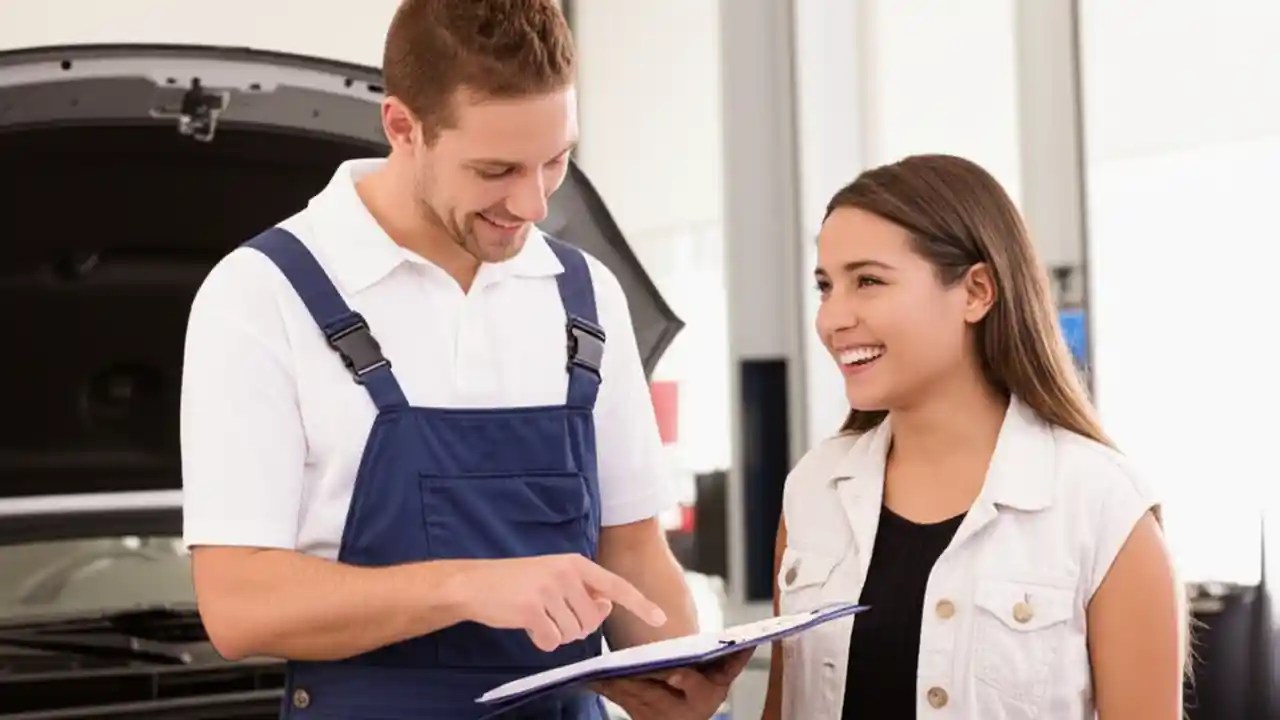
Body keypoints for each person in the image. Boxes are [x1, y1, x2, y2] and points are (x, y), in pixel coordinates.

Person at [178, 2, 748, 718]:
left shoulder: (585, 296)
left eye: (555, 160)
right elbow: (239, 606)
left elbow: (630, 552)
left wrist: (684, 686)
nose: (534, 203)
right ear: (402, 127)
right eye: (496, 169)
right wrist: (470, 587)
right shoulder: (262, 295)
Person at [761, 155, 1186, 719]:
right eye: (825, 286)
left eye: (867, 281)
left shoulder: (1102, 508)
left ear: (976, 291)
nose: (832, 318)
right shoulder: (815, 490)